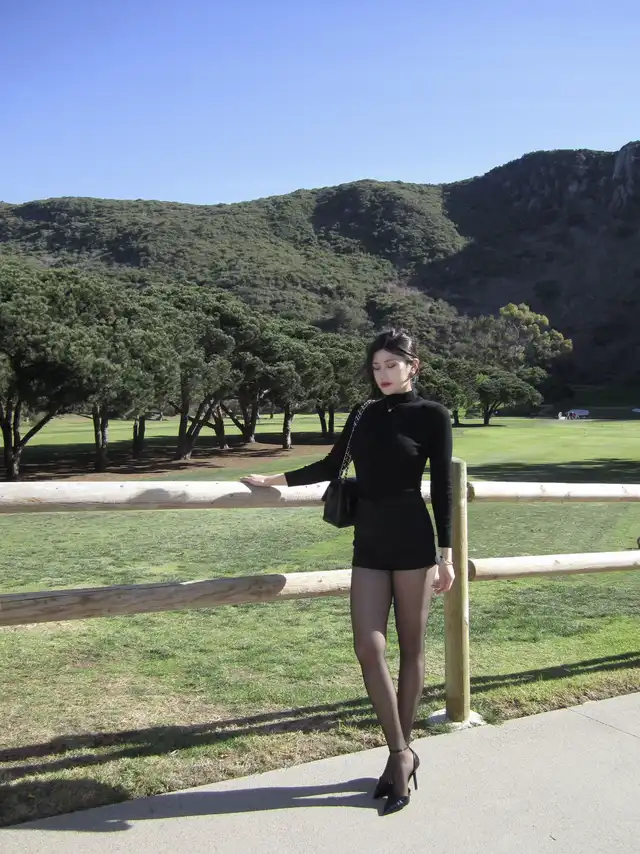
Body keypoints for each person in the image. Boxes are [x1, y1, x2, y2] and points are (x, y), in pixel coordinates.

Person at [241, 329, 454, 816]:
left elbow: (442, 486)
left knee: (412, 649)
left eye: (392, 365)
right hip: (370, 541)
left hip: (414, 541)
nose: (383, 374)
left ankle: (397, 759)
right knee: (368, 647)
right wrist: (273, 479)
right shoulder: (363, 413)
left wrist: (446, 554)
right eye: (376, 366)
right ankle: (402, 753)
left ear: (413, 366)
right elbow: (331, 464)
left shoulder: (432, 415)